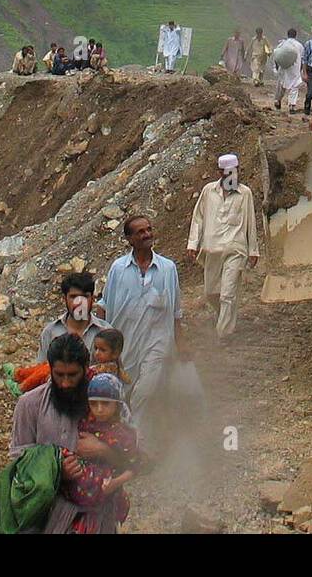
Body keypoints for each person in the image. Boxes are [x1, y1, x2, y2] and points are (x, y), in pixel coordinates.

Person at [10, 334, 133, 533]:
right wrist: (56, 470)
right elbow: (18, 464)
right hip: (47, 519)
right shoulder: (29, 405)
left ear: (86, 369)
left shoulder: (107, 404)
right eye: (59, 375)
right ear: (50, 369)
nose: (65, 383)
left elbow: (132, 459)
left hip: (98, 517)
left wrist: (102, 450)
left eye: (72, 375)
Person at [99, 215, 184, 414]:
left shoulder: (168, 269)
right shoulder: (118, 269)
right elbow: (104, 306)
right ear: (129, 239)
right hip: (125, 343)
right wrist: (102, 342)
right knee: (123, 393)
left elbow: (175, 312)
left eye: (148, 229)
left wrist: (181, 342)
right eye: (141, 232)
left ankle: (136, 435)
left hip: (157, 344)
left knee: (144, 393)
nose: (147, 234)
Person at [187, 154, 260, 341]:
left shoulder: (245, 193)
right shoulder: (208, 191)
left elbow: (251, 222)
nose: (232, 175)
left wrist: (253, 250)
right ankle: (222, 316)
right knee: (211, 293)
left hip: (235, 249)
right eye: (228, 172)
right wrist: (193, 243)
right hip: (211, 249)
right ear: (220, 172)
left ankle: (223, 334)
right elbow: (198, 218)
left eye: (235, 172)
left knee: (227, 293)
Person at [60, 373, 140, 534]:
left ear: (117, 404)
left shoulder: (123, 434)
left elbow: (134, 465)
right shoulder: (84, 424)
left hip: (105, 502)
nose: (99, 409)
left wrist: (115, 483)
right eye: (94, 404)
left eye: (105, 404)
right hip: (78, 503)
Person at [37, 272, 111, 363]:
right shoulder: (50, 332)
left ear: (92, 298)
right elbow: (41, 371)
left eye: (84, 297)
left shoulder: (106, 331)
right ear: (65, 299)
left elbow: (115, 371)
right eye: (73, 297)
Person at [273, 28, 303, 113]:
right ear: (295, 35)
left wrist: (277, 67)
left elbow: (276, 56)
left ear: (288, 34)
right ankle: (292, 106)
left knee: (281, 85)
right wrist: (300, 70)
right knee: (294, 86)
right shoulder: (299, 45)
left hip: (283, 68)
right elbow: (302, 58)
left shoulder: (282, 44)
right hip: (295, 69)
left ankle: (277, 100)